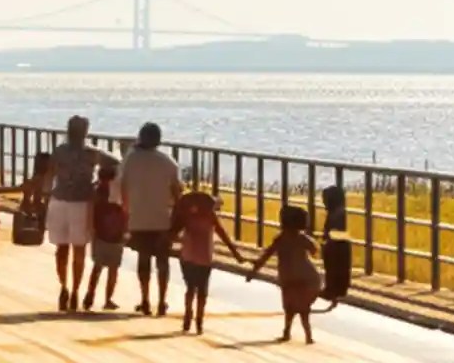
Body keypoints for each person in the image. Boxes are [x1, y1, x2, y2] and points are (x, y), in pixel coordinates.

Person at [40, 116, 118, 312]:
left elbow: (49, 176)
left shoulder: (59, 151)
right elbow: (117, 162)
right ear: (86, 131)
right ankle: (75, 290)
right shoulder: (92, 152)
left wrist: (42, 198)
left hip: (59, 201)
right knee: (79, 250)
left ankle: (64, 286)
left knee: (61, 249)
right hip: (82, 203)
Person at [119, 121, 182, 317]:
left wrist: (126, 211)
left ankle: (145, 299)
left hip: (139, 216)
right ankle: (162, 300)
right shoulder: (168, 162)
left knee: (143, 259)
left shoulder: (130, 159)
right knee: (163, 261)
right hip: (162, 217)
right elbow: (177, 191)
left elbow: (124, 188)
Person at [246, 206, 322, 344]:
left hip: (288, 276)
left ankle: (287, 331)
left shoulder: (280, 239)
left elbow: (266, 255)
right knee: (303, 308)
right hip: (304, 275)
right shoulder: (302, 238)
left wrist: (253, 271)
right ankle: (307, 335)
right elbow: (314, 249)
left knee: (289, 307)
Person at [171, 192, 243, 334]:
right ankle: (199, 320)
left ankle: (188, 314)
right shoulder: (211, 217)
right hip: (204, 257)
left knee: (190, 288)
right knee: (202, 290)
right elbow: (223, 235)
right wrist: (236, 254)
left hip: (187, 256)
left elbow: (174, 232)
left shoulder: (188, 216)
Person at [82, 165, 126, 311]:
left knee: (97, 267)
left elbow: (91, 210)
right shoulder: (118, 190)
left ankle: (90, 295)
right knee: (113, 269)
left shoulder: (96, 191)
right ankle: (108, 299)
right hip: (116, 232)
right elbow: (125, 210)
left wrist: (91, 228)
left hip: (100, 232)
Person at [319, 186, 351, 311]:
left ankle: (333, 290)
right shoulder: (337, 212)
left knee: (335, 268)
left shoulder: (337, 214)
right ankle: (333, 289)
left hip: (337, 245)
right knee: (333, 268)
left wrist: (328, 240)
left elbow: (336, 231)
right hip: (336, 244)